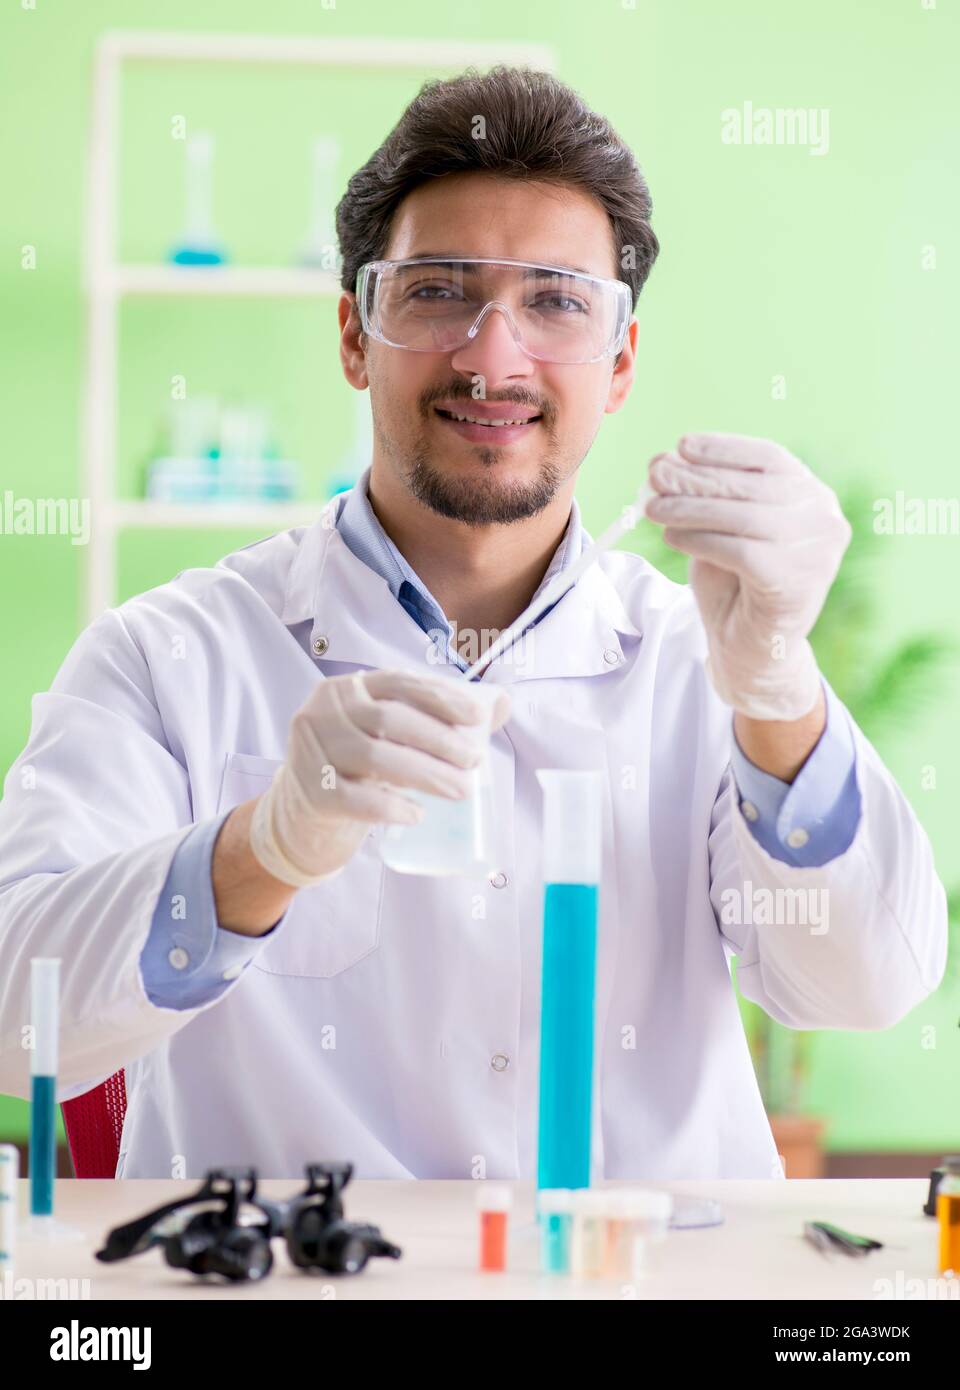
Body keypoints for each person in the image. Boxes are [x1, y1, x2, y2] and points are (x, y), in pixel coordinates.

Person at [0, 68, 946, 1180]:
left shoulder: (705, 660)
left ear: (620, 361)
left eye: (555, 302)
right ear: (356, 335)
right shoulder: (169, 655)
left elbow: (868, 983)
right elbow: (24, 1022)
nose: (494, 357)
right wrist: (263, 851)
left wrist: (781, 693)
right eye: (439, 291)